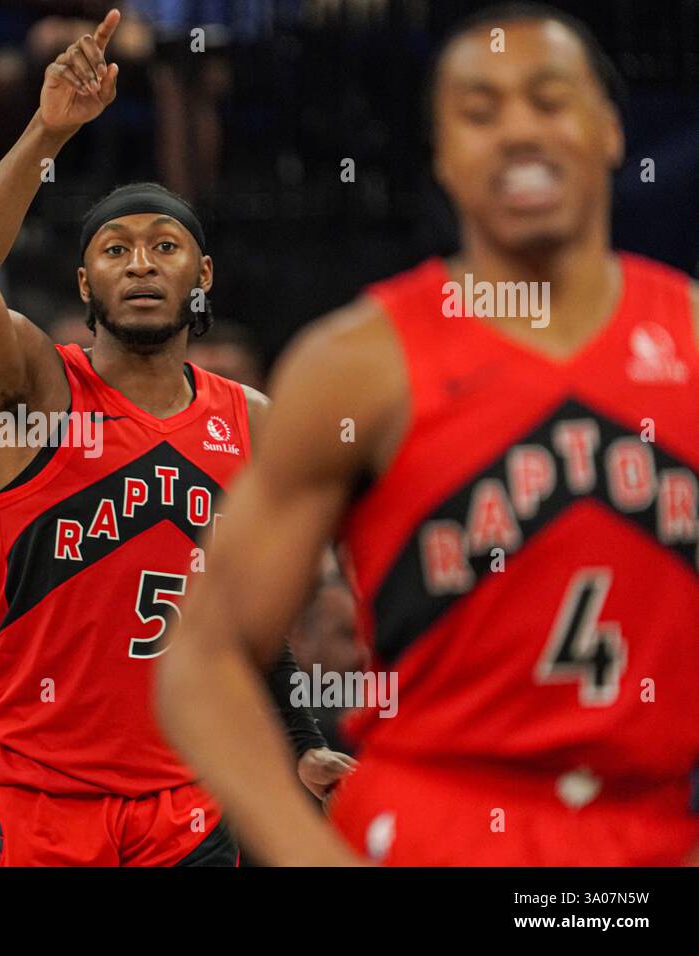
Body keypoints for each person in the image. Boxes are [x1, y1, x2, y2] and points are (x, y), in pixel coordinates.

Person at [158, 3, 699, 866]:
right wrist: (306, 852)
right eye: (479, 113)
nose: (518, 129)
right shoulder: (359, 363)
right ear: (444, 156)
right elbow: (203, 655)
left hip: (648, 833)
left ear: (607, 130)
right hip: (436, 825)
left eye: (549, 100)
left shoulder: (690, 341)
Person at [0, 8, 349, 866]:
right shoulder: (35, 388)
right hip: (35, 792)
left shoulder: (254, 423)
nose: (143, 263)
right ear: (86, 282)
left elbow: (247, 616)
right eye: (116, 249)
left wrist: (300, 737)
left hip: (184, 801)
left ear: (204, 276)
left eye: (165, 245)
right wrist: (47, 134)